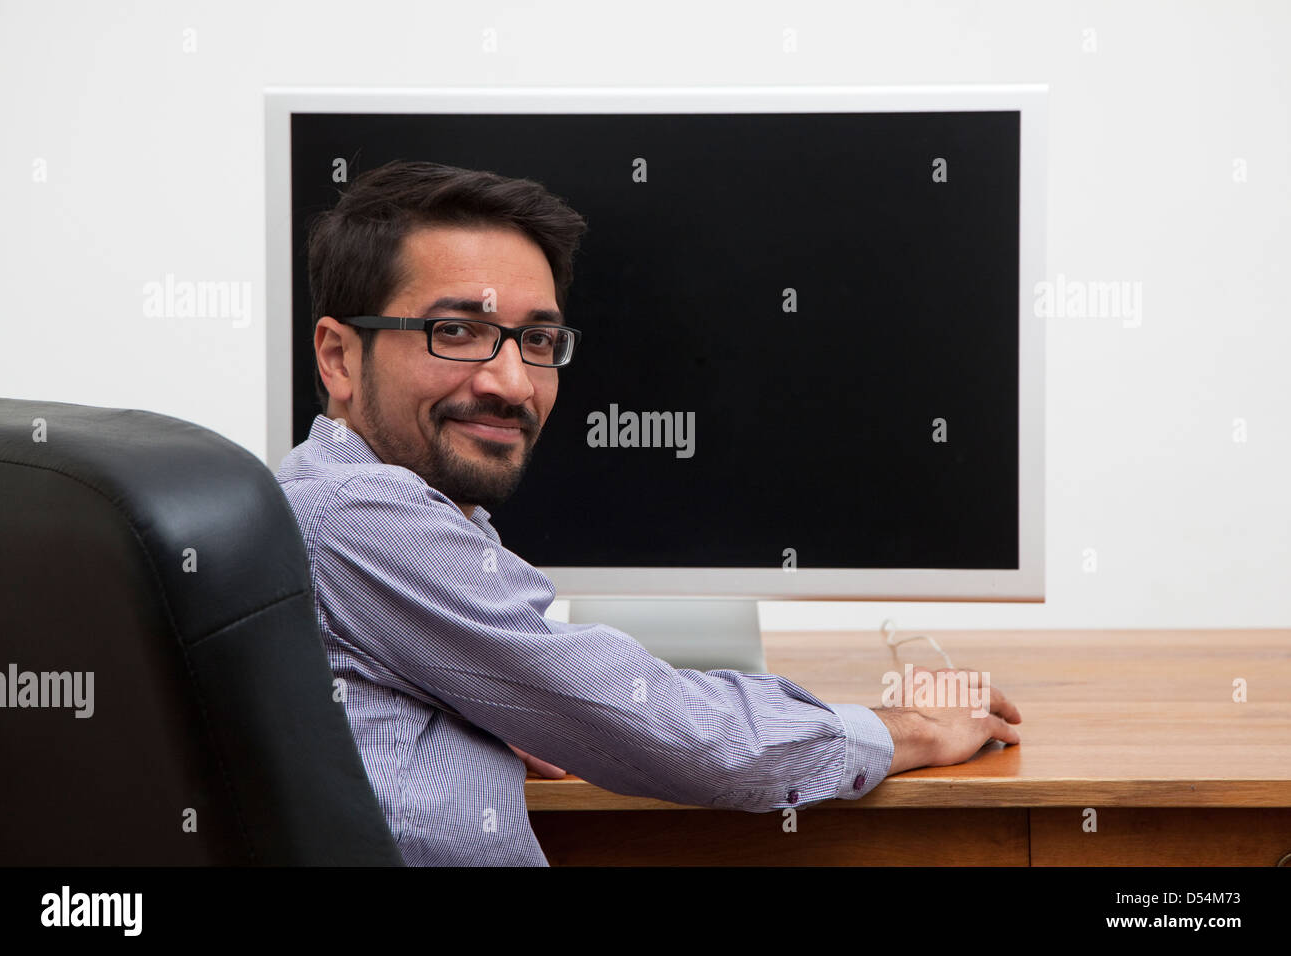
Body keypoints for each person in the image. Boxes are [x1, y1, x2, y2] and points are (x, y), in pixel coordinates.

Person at [276, 159, 1022, 865]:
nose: (513, 382)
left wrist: (509, 707)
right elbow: (685, 738)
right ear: (339, 358)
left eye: (536, 339)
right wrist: (910, 729)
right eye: (458, 331)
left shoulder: (347, 511)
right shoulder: (358, 514)